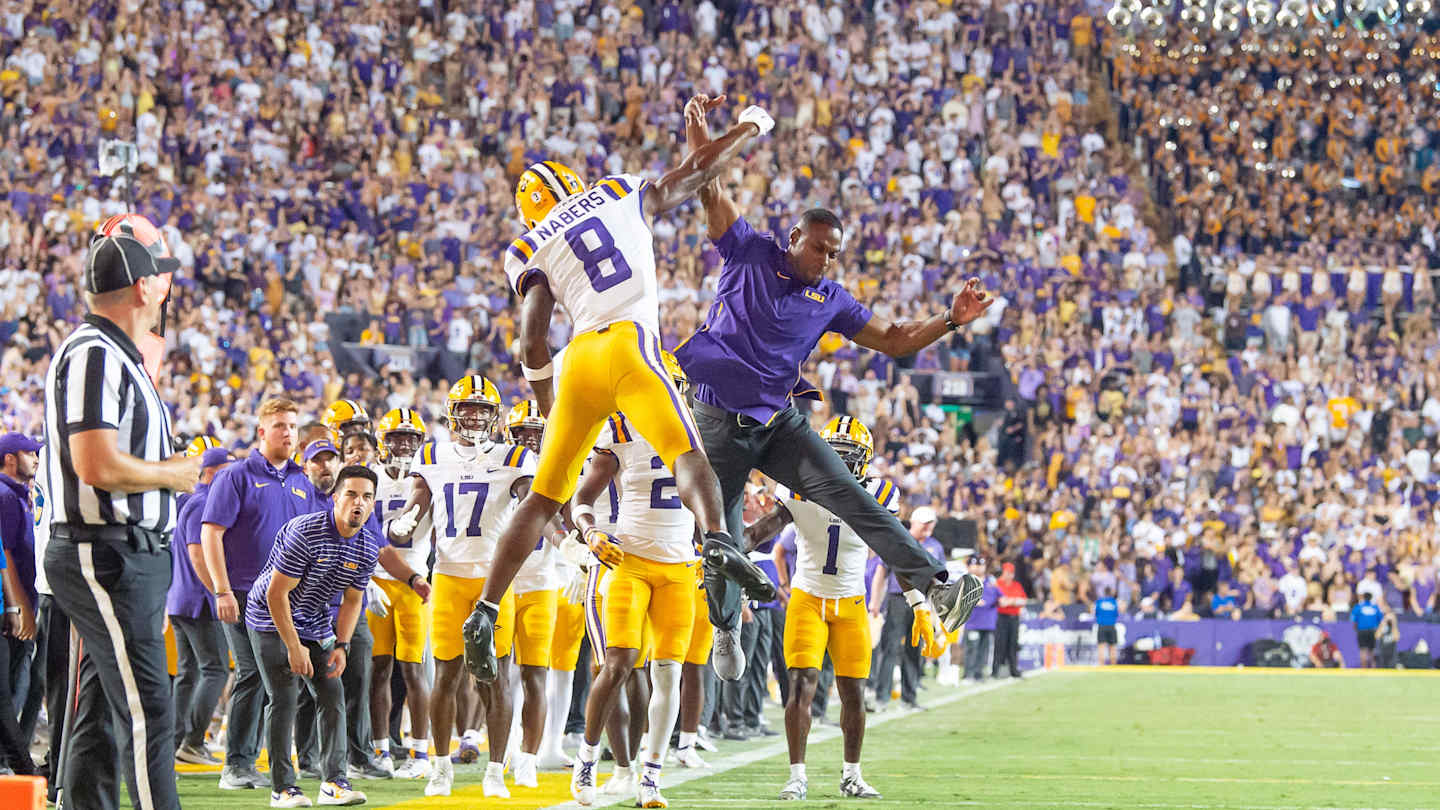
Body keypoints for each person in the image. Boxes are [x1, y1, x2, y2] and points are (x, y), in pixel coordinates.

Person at [466, 98, 780, 687]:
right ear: (575, 184)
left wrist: (549, 404)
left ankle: (484, 609)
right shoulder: (614, 191)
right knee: (687, 454)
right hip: (632, 344)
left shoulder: (527, 245)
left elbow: (533, 340)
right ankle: (716, 543)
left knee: (542, 496)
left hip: (579, 356)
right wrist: (750, 126)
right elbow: (696, 172)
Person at [678, 94, 990, 678]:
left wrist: (949, 320)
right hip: (716, 422)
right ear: (793, 236)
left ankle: (938, 585)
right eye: (818, 247)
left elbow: (895, 340)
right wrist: (704, 134)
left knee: (855, 496)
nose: (825, 260)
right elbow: (708, 186)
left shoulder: (831, 299)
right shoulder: (746, 251)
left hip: (778, 423)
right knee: (721, 539)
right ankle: (724, 629)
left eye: (835, 253)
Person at [41, 213, 201, 810]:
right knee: (148, 707)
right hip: (104, 550)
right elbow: (96, 464)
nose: (167, 287)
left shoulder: (121, 354)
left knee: (104, 707)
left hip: (123, 550)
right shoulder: (94, 352)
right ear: (143, 287)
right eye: (160, 277)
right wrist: (174, 473)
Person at [742, 416, 943, 801]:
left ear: (864, 461)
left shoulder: (881, 494)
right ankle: (796, 776)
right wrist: (732, 545)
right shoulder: (799, 488)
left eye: (848, 455)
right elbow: (764, 528)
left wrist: (918, 603)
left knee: (854, 692)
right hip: (807, 598)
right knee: (801, 685)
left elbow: (894, 550)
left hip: (851, 602)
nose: (840, 461)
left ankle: (852, 774)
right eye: (834, 452)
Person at [566, 353, 721, 807]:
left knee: (669, 673)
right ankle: (587, 759)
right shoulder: (620, 430)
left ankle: (651, 776)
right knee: (618, 663)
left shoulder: (700, 434)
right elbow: (582, 497)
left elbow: (710, 504)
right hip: (628, 559)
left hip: (678, 568)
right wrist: (590, 530)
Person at [391, 375, 533, 798]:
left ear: (495, 417)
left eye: (483, 410)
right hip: (450, 575)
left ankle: (495, 771)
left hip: (495, 579)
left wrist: (536, 501)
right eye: (468, 408)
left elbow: (529, 496)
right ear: (453, 412)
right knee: (446, 674)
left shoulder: (515, 455)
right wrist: (408, 519)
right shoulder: (432, 454)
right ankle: (439, 768)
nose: (474, 416)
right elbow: (420, 496)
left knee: (497, 676)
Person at [247, 465, 380, 807]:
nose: (358, 503)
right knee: (284, 696)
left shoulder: (367, 546)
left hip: (314, 618)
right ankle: (282, 788)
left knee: (332, 694)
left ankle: (333, 782)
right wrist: (293, 647)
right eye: (351, 494)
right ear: (335, 498)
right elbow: (276, 596)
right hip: (269, 616)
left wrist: (342, 645)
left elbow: (353, 600)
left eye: (367, 497)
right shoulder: (306, 533)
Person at [200, 397, 313, 790]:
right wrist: (222, 590)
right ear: (261, 431)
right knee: (251, 672)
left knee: (282, 678)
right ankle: (236, 764)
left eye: (294, 426)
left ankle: (264, 760)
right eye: (280, 425)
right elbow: (210, 533)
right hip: (246, 592)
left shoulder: (302, 481)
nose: (288, 433)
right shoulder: (236, 476)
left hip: (288, 597)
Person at [366, 408, 434, 780]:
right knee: (377, 669)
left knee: (413, 669)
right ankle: (380, 748)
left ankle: (420, 751)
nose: (404, 444)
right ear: (383, 441)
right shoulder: (369, 478)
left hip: (414, 582)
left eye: (410, 438)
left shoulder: (430, 478)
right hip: (375, 581)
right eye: (396, 437)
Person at [502, 400, 563, 789]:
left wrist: (573, 559)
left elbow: (567, 521)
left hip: (541, 582)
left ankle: (528, 756)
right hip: (502, 584)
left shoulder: (561, 469)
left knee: (535, 674)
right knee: (497, 676)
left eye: (535, 433)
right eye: (522, 433)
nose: (528, 440)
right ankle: (505, 747)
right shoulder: (497, 467)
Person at [169, 444, 234, 764]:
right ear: (210, 472)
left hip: (183, 598)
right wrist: (220, 592)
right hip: (199, 601)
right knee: (215, 669)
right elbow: (198, 553)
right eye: (227, 468)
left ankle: (175, 740)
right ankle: (192, 741)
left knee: (189, 673)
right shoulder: (203, 501)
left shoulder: (194, 500)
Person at [869, 505, 946, 711]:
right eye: (925, 523)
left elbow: (939, 581)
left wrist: (937, 611)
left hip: (922, 603)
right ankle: (881, 698)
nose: (929, 527)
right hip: (897, 599)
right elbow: (880, 573)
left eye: (931, 523)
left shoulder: (935, 546)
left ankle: (909, 698)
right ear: (915, 522)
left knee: (914, 649)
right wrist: (875, 602)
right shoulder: (899, 539)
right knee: (889, 647)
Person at [0, 432, 42, 760]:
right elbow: (6, 555)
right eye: (30, 453)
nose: (36, 459)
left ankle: (15, 757)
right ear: (10, 459)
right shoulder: (4, 495)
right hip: (14, 607)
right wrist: (17, 606)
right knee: (15, 685)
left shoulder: (18, 493)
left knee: (25, 681)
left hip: (23, 600)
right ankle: (8, 759)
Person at [963, 555, 999, 681]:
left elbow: (1000, 596)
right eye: (975, 565)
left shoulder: (991, 581)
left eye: (981, 565)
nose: (978, 568)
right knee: (971, 649)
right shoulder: (966, 581)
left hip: (988, 622)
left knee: (983, 650)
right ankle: (968, 674)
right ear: (968, 567)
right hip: (972, 621)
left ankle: (978, 674)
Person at [993, 563, 1027, 678]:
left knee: (1013, 644)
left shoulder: (1016, 585)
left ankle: (1013, 669)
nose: (1010, 575)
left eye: (1011, 573)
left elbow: (1023, 601)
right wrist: (1013, 601)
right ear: (1003, 572)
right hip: (1001, 617)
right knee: (1000, 644)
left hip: (1014, 618)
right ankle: (996, 670)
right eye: (1007, 573)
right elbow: (1000, 602)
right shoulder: (997, 584)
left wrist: (1010, 601)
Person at [1352, 592, 1383, 669]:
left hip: (1362, 631)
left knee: (1362, 650)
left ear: (1363, 597)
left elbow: (1354, 620)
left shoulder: (1358, 607)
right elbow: (1380, 620)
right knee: (1372, 650)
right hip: (1372, 631)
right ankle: (1373, 668)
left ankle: (1363, 668)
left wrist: (1357, 630)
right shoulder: (1375, 607)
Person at [1094, 587, 1120, 666]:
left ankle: (1101, 666)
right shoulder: (1114, 602)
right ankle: (1113, 666)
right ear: (1111, 593)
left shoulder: (1099, 602)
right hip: (1111, 626)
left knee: (1101, 647)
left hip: (1102, 626)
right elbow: (1116, 614)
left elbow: (1096, 613)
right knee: (1113, 647)